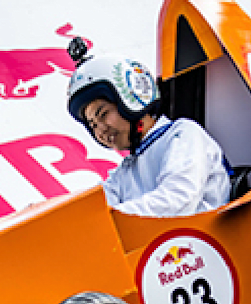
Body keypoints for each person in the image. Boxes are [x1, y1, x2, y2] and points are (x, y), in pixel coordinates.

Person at [65, 38, 230, 216]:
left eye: (103, 114)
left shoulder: (183, 134)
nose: (100, 130)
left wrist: (111, 219)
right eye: (93, 125)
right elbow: (93, 210)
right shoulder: (124, 173)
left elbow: (178, 199)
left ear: (132, 96)